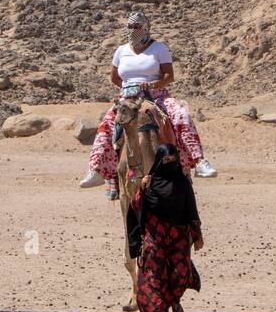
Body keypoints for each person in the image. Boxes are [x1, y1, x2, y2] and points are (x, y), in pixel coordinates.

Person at [80, 11, 216, 195]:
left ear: (146, 28)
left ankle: (198, 161)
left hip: (156, 95)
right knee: (106, 125)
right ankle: (97, 170)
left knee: (180, 115)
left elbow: (169, 76)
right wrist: (129, 88)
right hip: (128, 98)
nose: (133, 30)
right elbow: (114, 77)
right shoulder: (121, 51)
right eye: (130, 26)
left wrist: (152, 84)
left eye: (137, 26)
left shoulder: (159, 48)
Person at [129, 144, 204, 312]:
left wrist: (197, 236)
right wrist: (142, 188)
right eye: (166, 160)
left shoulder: (183, 182)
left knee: (179, 274)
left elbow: (191, 209)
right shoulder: (150, 181)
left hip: (179, 237)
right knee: (155, 274)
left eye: (173, 160)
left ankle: (174, 301)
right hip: (155, 236)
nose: (170, 164)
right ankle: (158, 309)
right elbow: (136, 206)